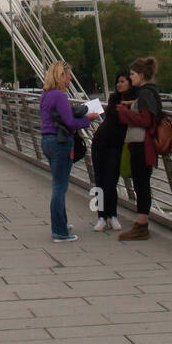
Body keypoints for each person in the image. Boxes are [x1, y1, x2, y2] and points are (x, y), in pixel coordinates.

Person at [39, 60, 97, 242]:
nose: (71, 79)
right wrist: (88, 119)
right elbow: (70, 123)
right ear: (61, 75)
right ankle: (59, 231)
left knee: (58, 184)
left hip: (47, 140)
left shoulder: (45, 94)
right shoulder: (59, 96)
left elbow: (59, 117)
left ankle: (61, 223)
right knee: (59, 187)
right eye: (69, 75)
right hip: (60, 142)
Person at [116, 56, 163, 242]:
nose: (131, 78)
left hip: (142, 145)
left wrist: (125, 113)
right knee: (141, 183)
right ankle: (141, 223)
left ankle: (142, 225)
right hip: (142, 145)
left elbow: (146, 120)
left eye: (133, 74)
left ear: (142, 75)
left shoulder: (145, 93)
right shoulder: (147, 93)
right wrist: (131, 106)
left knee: (141, 184)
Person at [90, 70, 132, 231]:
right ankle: (101, 217)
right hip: (100, 142)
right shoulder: (114, 98)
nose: (119, 84)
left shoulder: (135, 99)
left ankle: (112, 215)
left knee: (111, 181)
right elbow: (119, 116)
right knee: (99, 181)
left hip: (116, 145)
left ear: (129, 82)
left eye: (123, 81)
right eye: (118, 81)